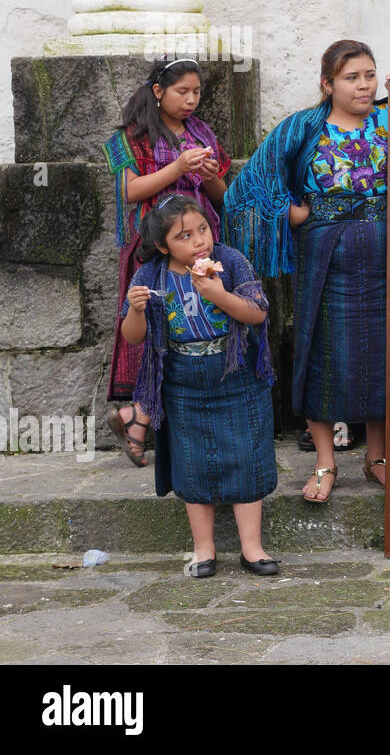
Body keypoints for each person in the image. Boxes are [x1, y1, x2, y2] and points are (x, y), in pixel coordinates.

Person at [225, 41, 390, 503]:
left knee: (385, 354)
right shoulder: (304, 128)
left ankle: (378, 459)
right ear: (327, 84)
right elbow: (247, 186)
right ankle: (326, 463)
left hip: (388, 255)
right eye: (352, 77)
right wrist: (290, 213)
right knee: (323, 353)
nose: (365, 85)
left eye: (370, 75)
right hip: (325, 256)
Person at [121, 195, 277, 577]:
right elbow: (133, 337)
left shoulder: (232, 260)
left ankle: (252, 547)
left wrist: (220, 295)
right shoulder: (151, 275)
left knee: (248, 455)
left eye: (203, 229)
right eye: (184, 236)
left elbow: (257, 312)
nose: (199, 241)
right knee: (192, 463)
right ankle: (203, 549)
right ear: (163, 246)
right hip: (182, 380)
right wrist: (137, 310)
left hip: (235, 371)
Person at [102, 59, 230, 466]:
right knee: (153, 325)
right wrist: (176, 167)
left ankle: (138, 418)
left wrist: (208, 174)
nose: (191, 100)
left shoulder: (201, 133)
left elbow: (221, 195)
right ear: (159, 91)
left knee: (190, 327)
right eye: (182, 92)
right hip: (152, 247)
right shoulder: (130, 138)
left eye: (196, 92)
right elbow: (130, 190)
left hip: (198, 248)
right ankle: (139, 416)